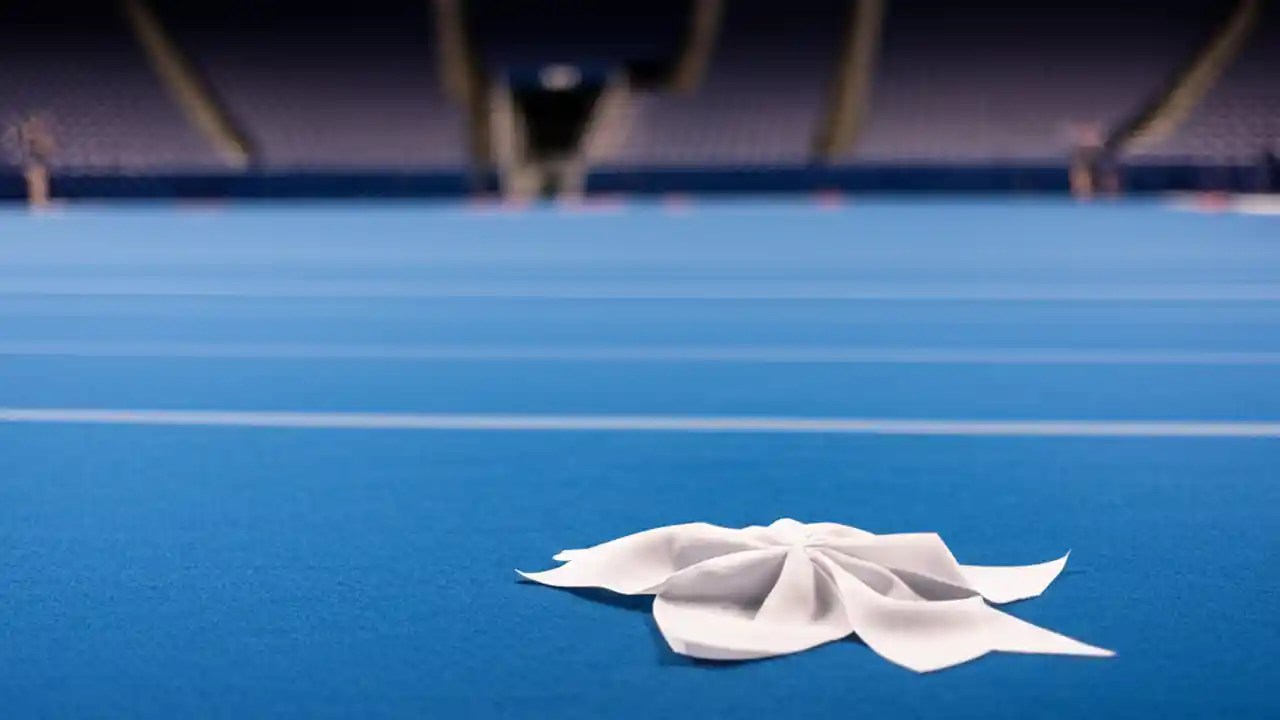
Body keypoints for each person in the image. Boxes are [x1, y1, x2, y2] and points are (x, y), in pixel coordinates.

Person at [4, 114, 56, 207]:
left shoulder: (41, 136)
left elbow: (47, 149)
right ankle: (37, 201)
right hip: (30, 163)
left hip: (39, 162)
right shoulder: (24, 136)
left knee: (41, 177)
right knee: (35, 177)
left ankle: (42, 200)